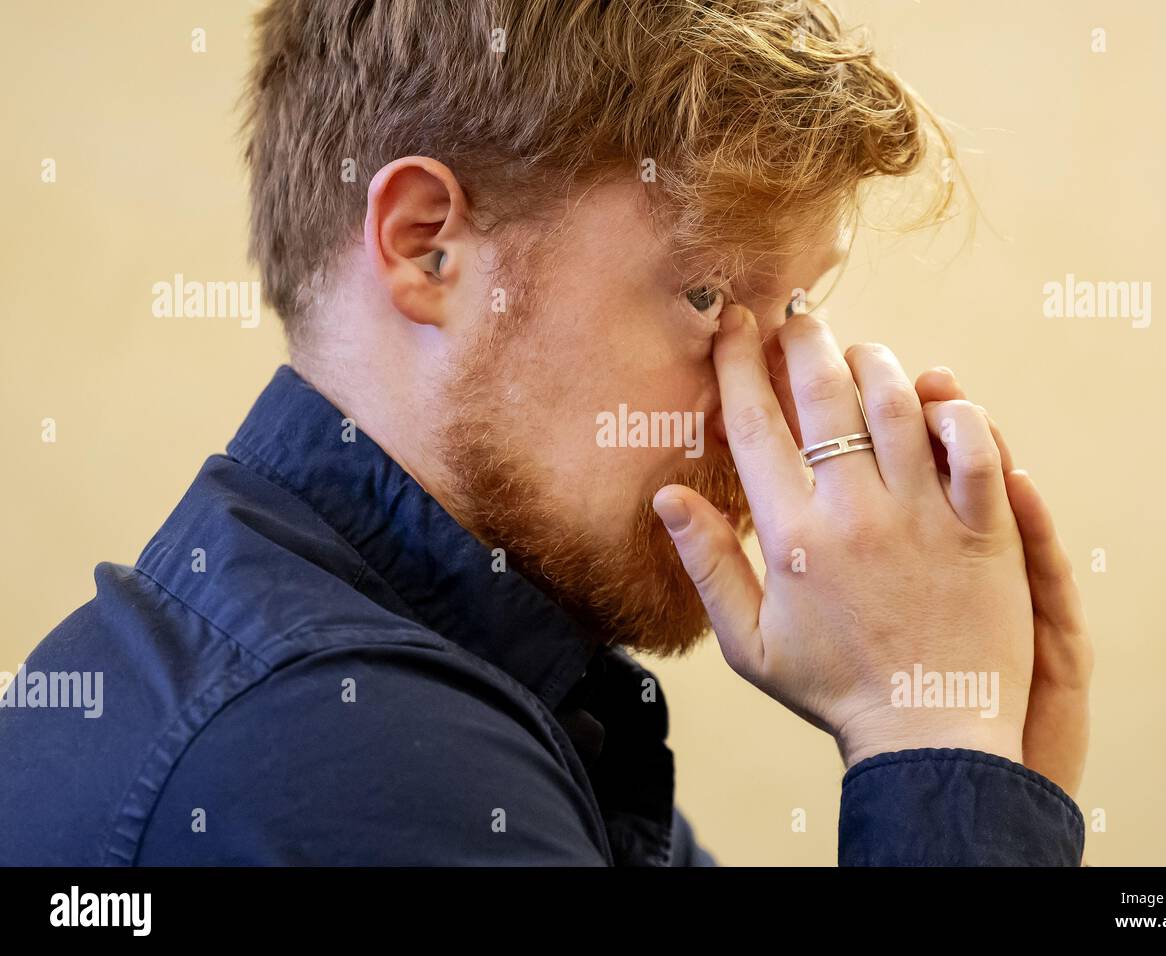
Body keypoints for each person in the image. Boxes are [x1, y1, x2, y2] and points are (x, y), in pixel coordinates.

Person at [0, 0, 1091, 865]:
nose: (783, 406)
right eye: (707, 294)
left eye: (798, 306)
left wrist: (976, 774)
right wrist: (931, 752)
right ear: (428, 247)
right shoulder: (338, 753)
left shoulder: (489, 699)